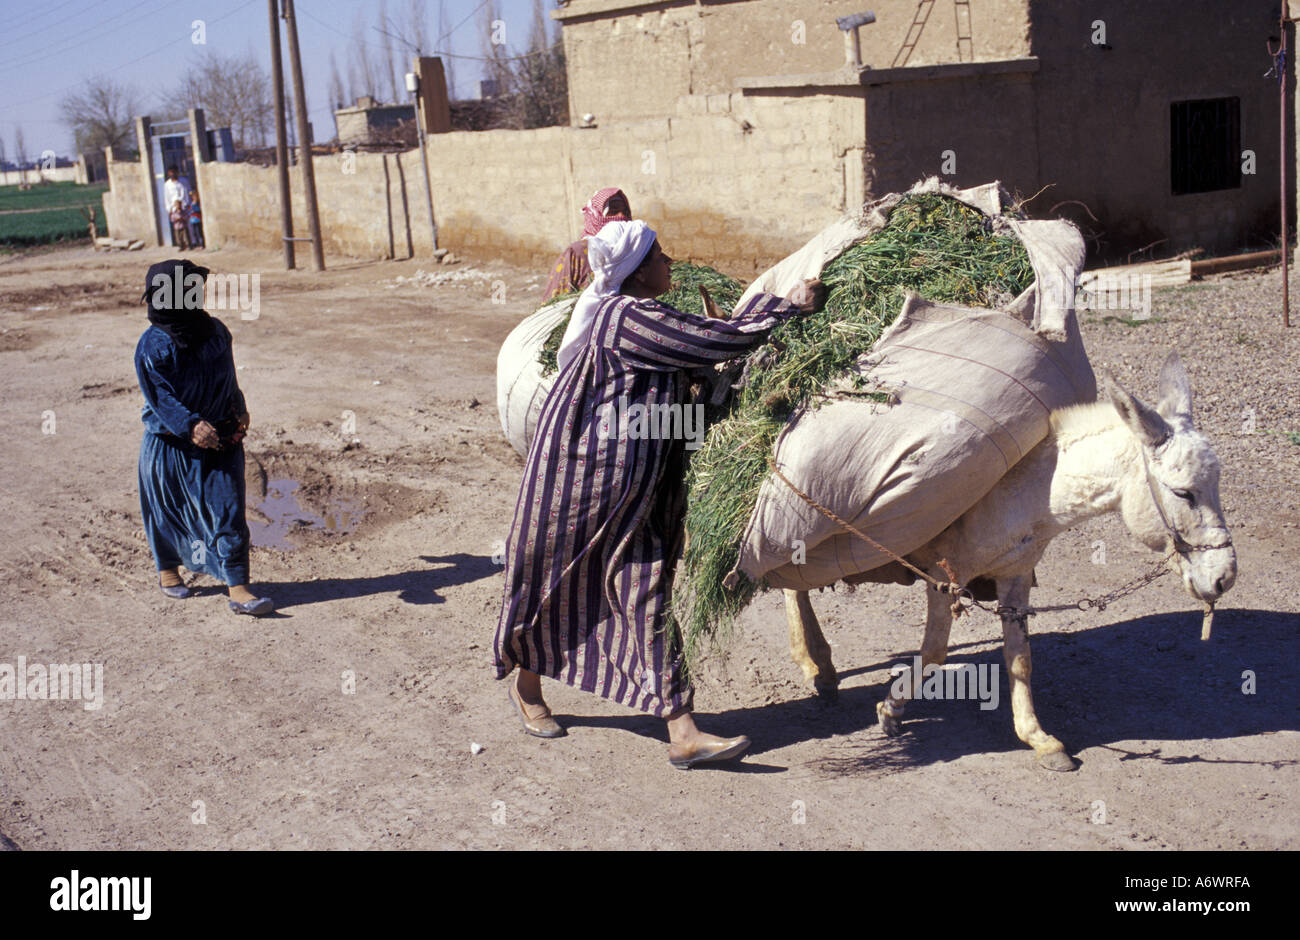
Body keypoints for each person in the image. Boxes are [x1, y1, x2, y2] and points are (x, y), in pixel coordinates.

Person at [495, 220, 819, 769]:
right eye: (661, 257)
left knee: (647, 594)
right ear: (638, 272)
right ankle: (527, 687)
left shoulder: (640, 315)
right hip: (583, 480)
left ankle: (682, 730)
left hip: (638, 489)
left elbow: (695, 353)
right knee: (555, 579)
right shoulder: (626, 316)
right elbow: (717, 340)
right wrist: (785, 307)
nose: (670, 263)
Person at [135, 259, 273, 616]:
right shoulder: (152, 346)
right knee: (168, 512)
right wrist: (190, 425)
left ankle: (239, 588)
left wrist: (238, 406)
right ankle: (168, 571)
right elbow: (159, 397)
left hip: (219, 439)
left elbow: (228, 376)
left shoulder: (216, 333)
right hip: (170, 443)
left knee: (227, 509)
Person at [541, 187, 631, 301]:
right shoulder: (577, 254)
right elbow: (555, 303)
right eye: (613, 211)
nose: (621, 217)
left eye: (625, 212)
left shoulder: (638, 250)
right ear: (595, 216)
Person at [163, 166, 191, 250]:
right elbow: (167, 198)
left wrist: (187, 205)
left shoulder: (183, 181)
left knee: (185, 227)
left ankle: (189, 244)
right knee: (177, 229)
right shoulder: (167, 184)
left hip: (184, 207)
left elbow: (187, 193)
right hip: (174, 209)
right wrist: (169, 209)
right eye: (171, 172)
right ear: (168, 173)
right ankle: (180, 244)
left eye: (174, 172)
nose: (172, 174)